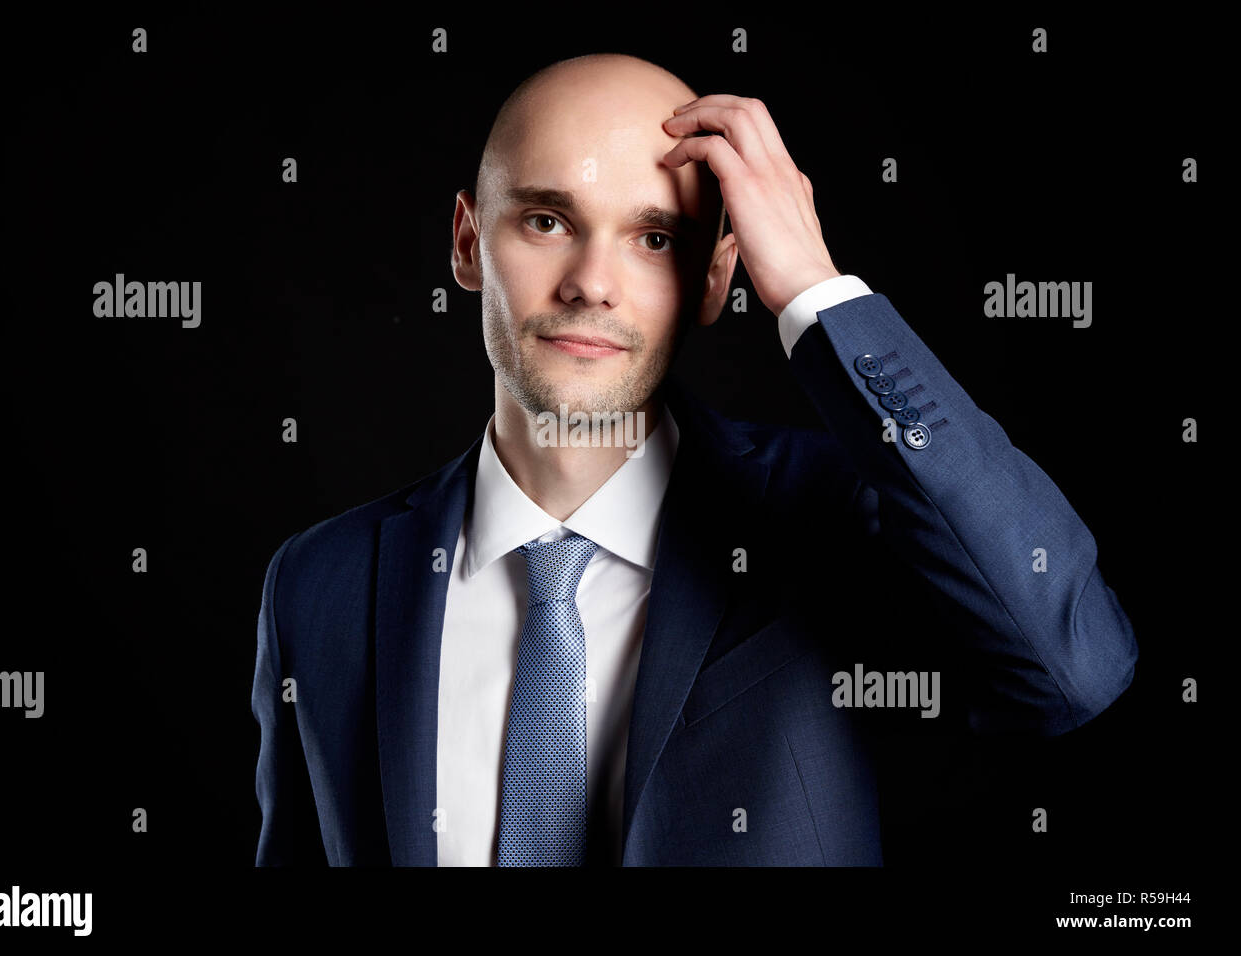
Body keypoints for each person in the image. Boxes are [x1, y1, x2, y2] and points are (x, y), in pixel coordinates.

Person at [252, 52, 1137, 866]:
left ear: (717, 277)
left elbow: (1073, 667)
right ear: (466, 241)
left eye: (654, 238)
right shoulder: (318, 585)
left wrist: (813, 290)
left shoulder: (839, 521)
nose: (592, 282)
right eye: (548, 219)